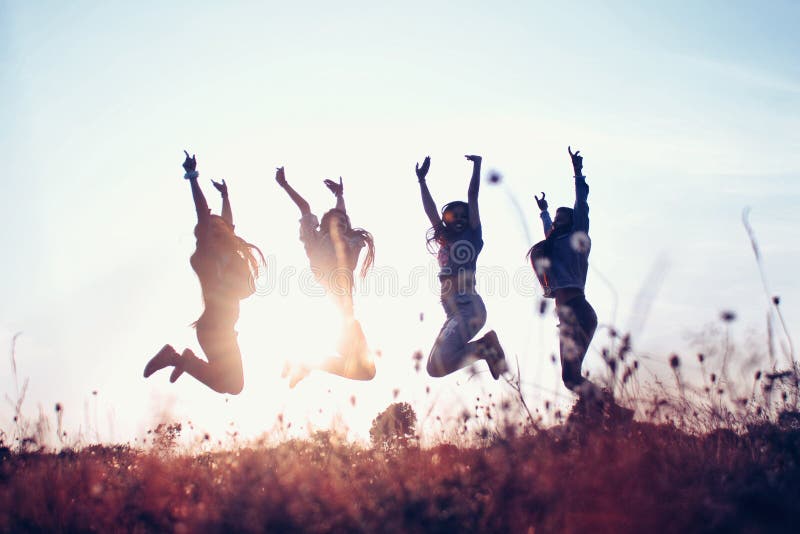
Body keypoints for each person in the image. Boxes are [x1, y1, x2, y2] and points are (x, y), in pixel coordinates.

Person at [143, 151, 265, 394]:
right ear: (206, 233)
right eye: (213, 226)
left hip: (224, 327)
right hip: (214, 327)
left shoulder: (228, 252)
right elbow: (203, 213)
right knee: (231, 385)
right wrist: (192, 177)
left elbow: (228, 224)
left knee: (232, 385)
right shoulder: (208, 256)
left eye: (222, 226)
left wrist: (226, 196)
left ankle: (181, 359)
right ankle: (181, 360)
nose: (220, 227)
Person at [529, 147, 629, 421]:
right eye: (557, 220)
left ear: (572, 223)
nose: (559, 222)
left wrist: (578, 173)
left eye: (564, 218)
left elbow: (581, 205)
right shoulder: (554, 243)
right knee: (570, 379)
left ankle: (612, 411)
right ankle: (607, 413)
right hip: (566, 315)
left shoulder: (577, 238)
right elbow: (548, 232)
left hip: (579, 311)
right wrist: (545, 212)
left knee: (571, 376)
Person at [275, 166, 376, 386]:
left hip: (348, 318)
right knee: (365, 371)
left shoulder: (349, 243)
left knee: (367, 372)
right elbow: (305, 207)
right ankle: (308, 363)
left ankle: (310, 364)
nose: (341, 225)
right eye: (335, 223)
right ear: (325, 226)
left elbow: (341, 217)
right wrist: (284, 185)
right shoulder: (315, 242)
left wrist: (340, 195)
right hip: (332, 316)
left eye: (344, 224)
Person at [415, 154, 507, 379]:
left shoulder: (472, 237)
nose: (457, 218)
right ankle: (484, 348)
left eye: (462, 215)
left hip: (468, 307)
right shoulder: (445, 239)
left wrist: (477, 166)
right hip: (452, 313)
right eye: (451, 215)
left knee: (437, 364)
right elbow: (430, 211)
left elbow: (472, 196)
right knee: (433, 368)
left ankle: (487, 347)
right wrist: (422, 181)